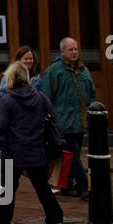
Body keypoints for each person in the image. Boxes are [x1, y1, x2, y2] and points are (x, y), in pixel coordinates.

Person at [0, 60, 66, 224]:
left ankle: (3, 219)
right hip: (36, 150)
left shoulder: (7, 100)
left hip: (13, 152)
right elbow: (52, 118)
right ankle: (55, 218)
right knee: (42, 188)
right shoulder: (39, 97)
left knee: (8, 189)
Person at [38, 37, 97, 201]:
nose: (74, 52)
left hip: (80, 121)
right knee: (72, 154)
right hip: (62, 123)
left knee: (72, 155)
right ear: (62, 51)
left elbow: (92, 93)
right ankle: (84, 183)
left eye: (76, 49)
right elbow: (46, 97)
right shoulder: (54, 71)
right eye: (71, 49)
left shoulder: (83, 71)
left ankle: (70, 186)